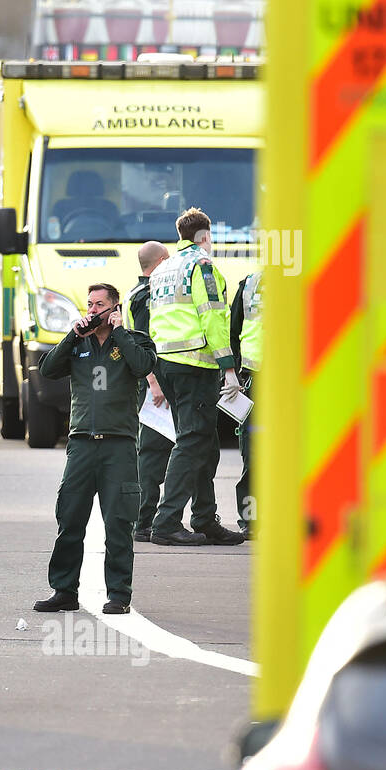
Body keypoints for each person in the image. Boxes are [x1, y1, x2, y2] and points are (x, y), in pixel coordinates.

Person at [34, 284, 156, 614]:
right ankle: (64, 590)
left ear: (114, 308)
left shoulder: (134, 341)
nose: (92, 310)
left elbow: (143, 366)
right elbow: (48, 370)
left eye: (99, 304)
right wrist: (71, 336)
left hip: (118, 445)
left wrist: (120, 332)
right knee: (70, 519)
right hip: (82, 444)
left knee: (118, 524)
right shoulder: (78, 344)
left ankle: (118, 594)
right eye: (89, 304)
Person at [147, 208, 245, 546]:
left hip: (167, 362)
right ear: (205, 237)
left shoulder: (163, 269)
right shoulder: (201, 265)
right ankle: (166, 522)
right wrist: (228, 367)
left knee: (203, 442)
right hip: (195, 364)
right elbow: (213, 317)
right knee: (192, 441)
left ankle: (205, 517)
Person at [123, 241, 174, 541]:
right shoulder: (147, 297)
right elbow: (143, 344)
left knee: (153, 452)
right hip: (152, 386)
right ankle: (142, 521)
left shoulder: (135, 292)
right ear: (162, 260)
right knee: (152, 454)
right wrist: (154, 384)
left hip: (146, 383)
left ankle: (144, 519)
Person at [229, 269, 262, 539]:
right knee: (253, 453)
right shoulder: (250, 283)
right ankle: (250, 519)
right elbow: (234, 332)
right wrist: (236, 372)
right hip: (257, 379)